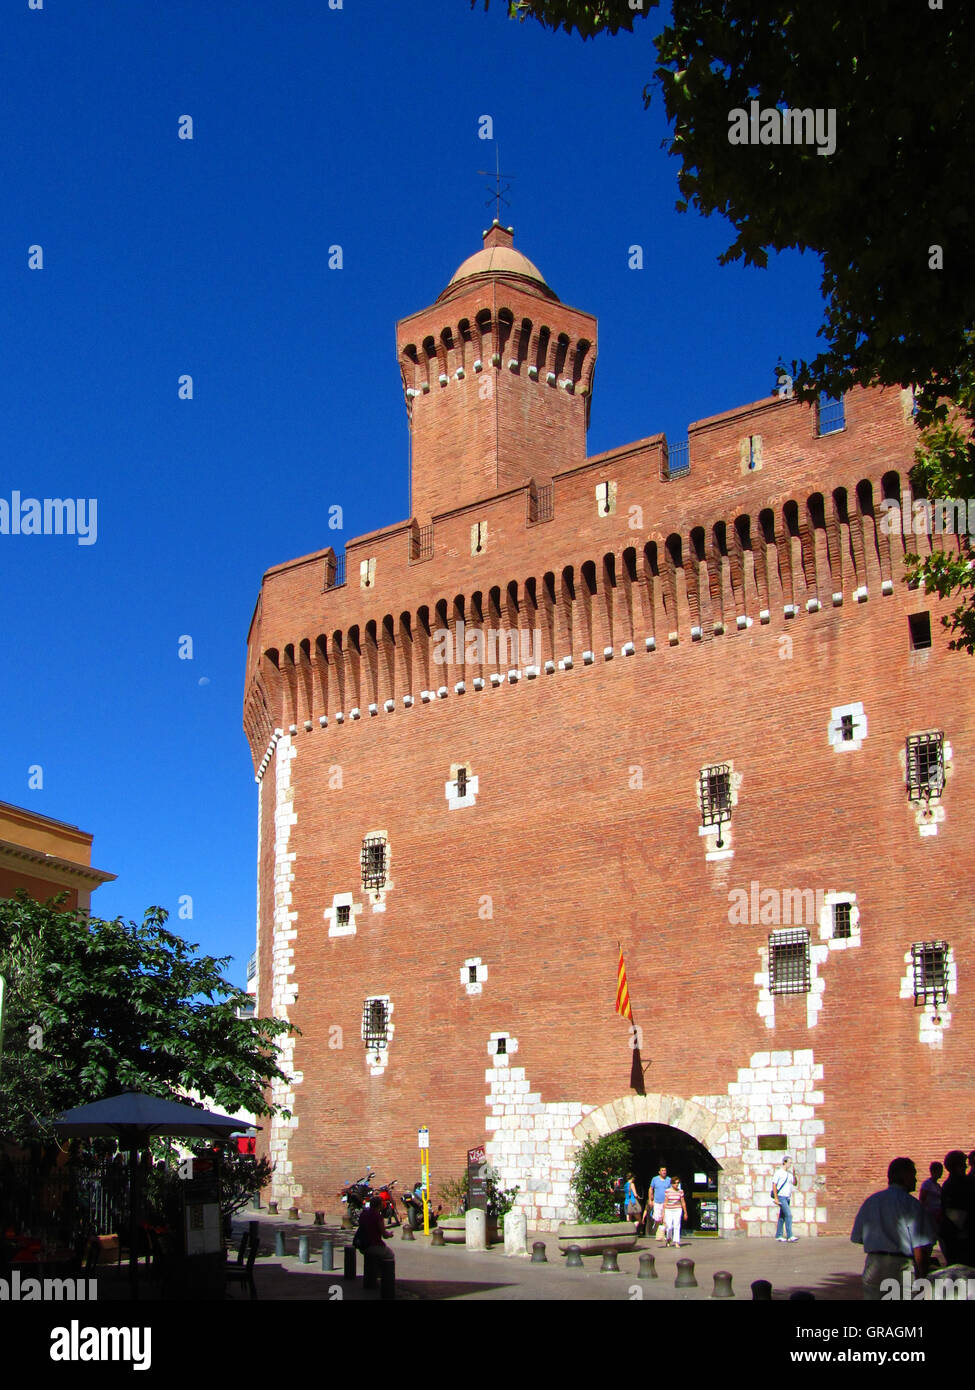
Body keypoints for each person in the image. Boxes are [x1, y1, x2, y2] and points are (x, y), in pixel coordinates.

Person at [850, 1157, 937, 1300]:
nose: (915, 1180)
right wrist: (922, 1276)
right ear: (905, 1176)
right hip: (900, 1265)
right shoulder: (911, 1204)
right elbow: (920, 1247)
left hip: (874, 1263)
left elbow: (858, 1237)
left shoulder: (872, 1201)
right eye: (913, 1175)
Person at [939, 1150, 973, 1267]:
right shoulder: (959, 1183)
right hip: (962, 1237)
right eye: (963, 1163)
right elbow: (954, 1212)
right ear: (957, 1166)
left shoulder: (949, 1184)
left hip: (954, 1235)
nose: (965, 1166)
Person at [770, 1156, 798, 1241]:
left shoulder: (789, 1174)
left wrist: (794, 1174)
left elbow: (795, 1183)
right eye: (789, 1162)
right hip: (781, 1196)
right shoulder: (779, 1172)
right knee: (788, 1215)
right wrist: (776, 1198)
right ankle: (790, 1236)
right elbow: (774, 1185)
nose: (790, 1164)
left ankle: (779, 1235)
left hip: (787, 1197)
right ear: (784, 1162)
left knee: (782, 1216)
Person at [354, 1196, 391, 1260]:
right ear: (379, 1205)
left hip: (362, 1245)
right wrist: (390, 1234)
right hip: (374, 1245)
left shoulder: (364, 1213)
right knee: (390, 1255)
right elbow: (384, 1235)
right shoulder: (378, 1216)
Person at [645, 1165, 670, 1240]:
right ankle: (657, 1233)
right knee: (657, 1219)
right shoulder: (655, 1179)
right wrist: (650, 1200)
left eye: (665, 1170)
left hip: (666, 1202)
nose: (664, 1172)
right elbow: (651, 1189)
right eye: (662, 1170)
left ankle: (664, 1235)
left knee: (665, 1219)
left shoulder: (669, 1180)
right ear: (659, 1172)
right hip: (657, 1202)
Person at [663, 1175, 688, 1248]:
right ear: (672, 1183)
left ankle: (676, 1241)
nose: (676, 1184)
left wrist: (685, 1212)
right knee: (669, 1226)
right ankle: (668, 1239)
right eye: (675, 1183)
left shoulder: (680, 1191)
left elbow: (683, 1202)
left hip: (677, 1209)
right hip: (669, 1209)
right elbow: (665, 1202)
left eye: (678, 1183)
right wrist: (663, 1214)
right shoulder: (668, 1191)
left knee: (677, 1225)